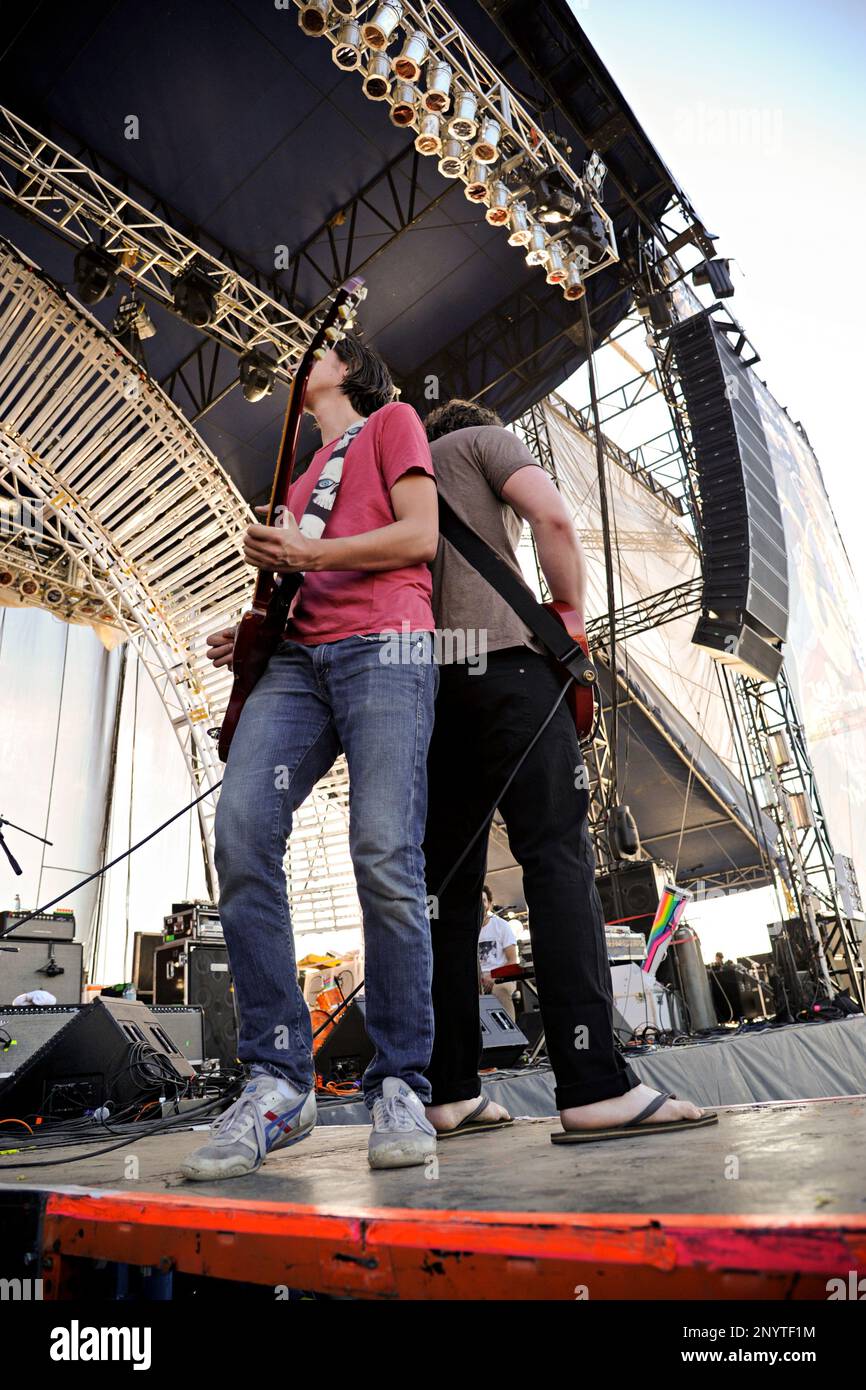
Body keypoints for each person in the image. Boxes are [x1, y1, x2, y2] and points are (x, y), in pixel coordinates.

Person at [422, 399, 716, 1143]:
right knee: (556, 861)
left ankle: (449, 1090)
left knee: (447, 895)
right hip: (511, 674)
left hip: (428, 689)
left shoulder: (401, 468)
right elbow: (552, 519)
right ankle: (591, 1085)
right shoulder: (485, 440)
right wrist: (569, 613)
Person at [181, 337, 440, 1180]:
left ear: (355, 370)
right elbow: (295, 585)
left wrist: (310, 555)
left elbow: (421, 536)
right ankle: (279, 1081)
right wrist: (253, 629)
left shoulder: (393, 421)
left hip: (387, 645)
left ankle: (400, 1081)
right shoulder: (295, 480)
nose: (304, 359)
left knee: (382, 852)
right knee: (243, 831)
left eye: (322, 349)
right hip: (300, 660)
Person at [478, 885, 519, 1020]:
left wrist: (493, 976)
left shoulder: (501, 926)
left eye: (483, 900)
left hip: (501, 977)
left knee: (499, 991)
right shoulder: (468, 932)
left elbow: (512, 961)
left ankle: (510, 1036)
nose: (480, 904)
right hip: (479, 980)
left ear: (489, 904)